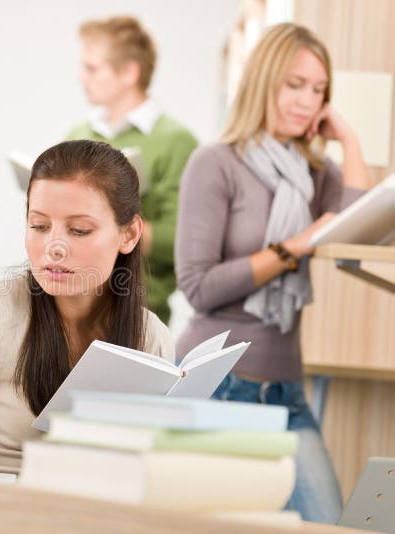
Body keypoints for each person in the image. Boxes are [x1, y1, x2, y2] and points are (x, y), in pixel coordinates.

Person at [175, 23, 372, 523]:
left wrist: (347, 137)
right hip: (218, 384)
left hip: (285, 388)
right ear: (264, 81)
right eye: (295, 84)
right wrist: (295, 247)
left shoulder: (314, 174)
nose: (308, 100)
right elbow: (199, 286)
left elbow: (362, 227)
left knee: (326, 521)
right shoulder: (214, 163)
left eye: (319, 89)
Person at [0, 140, 174, 474]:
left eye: (79, 230)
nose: (54, 247)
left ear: (130, 234)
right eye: (39, 226)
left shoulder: (151, 338)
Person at [66, 16, 198, 324]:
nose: (81, 78)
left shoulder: (176, 141)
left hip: (138, 311)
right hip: (71, 308)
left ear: (128, 73)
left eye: (92, 68)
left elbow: (179, 240)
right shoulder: (77, 133)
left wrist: (110, 226)